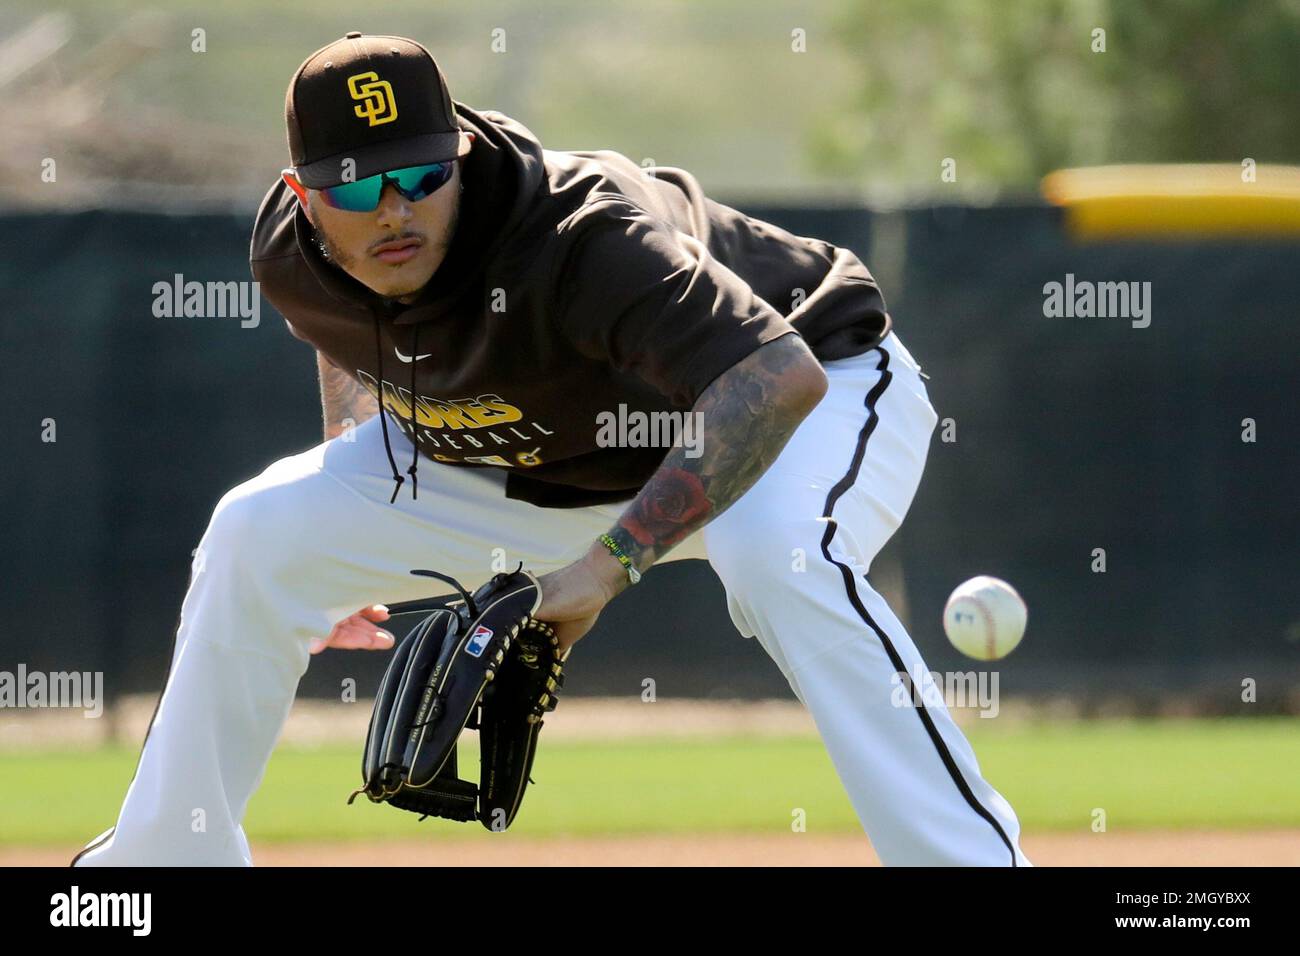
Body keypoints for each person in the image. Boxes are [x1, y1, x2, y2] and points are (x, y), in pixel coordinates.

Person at [73, 32, 1030, 866]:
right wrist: (348, 509)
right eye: (359, 185)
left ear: (458, 153)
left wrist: (609, 566)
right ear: (302, 197)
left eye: (421, 171)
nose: (395, 207)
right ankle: (165, 863)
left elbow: (773, 379)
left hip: (807, 391)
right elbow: (348, 336)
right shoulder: (290, 255)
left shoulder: (579, 232)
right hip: (538, 459)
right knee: (258, 532)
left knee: (779, 558)